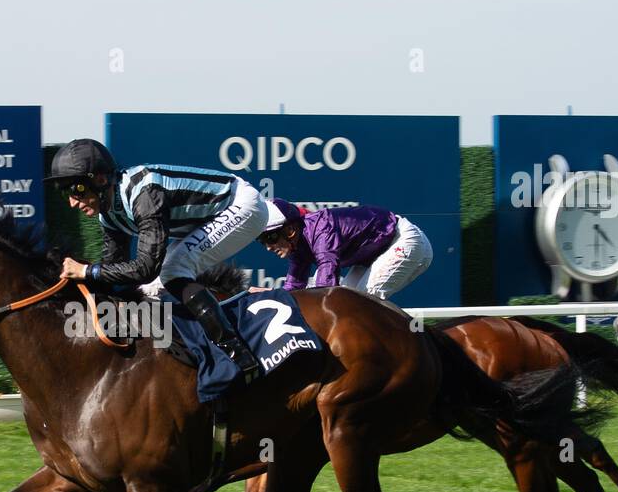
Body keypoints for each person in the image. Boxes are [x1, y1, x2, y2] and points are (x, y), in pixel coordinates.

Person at [48, 138, 266, 379]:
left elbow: (146, 267)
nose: (71, 202)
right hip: (209, 219)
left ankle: (238, 355)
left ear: (100, 180)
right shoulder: (109, 215)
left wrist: (87, 271)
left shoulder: (145, 194)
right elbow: (114, 273)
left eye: (76, 189)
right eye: (65, 192)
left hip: (242, 206)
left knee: (171, 270)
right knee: (155, 286)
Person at [256, 198, 433, 298]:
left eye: (270, 238)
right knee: (350, 300)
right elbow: (294, 288)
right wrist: (268, 297)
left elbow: (325, 288)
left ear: (290, 230)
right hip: (379, 252)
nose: (268, 247)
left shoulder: (321, 231)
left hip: (404, 240)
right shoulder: (297, 246)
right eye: (262, 241)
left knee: (361, 300)